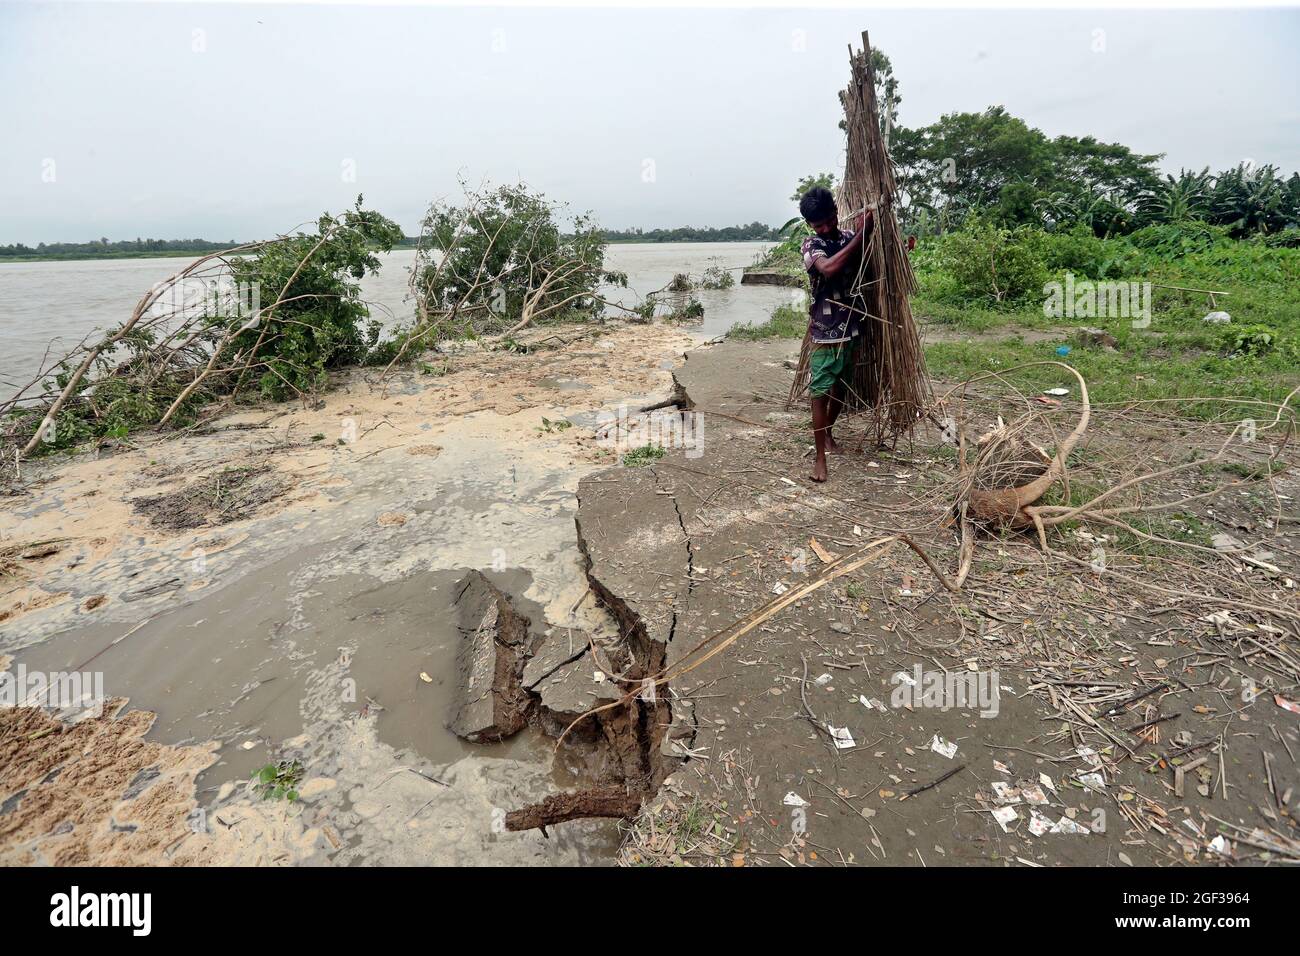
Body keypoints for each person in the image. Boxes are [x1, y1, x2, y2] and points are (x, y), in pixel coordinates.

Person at [798, 186, 873, 482]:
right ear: (810, 226)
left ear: (836, 212)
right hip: (824, 331)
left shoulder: (847, 237)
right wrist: (859, 236)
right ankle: (819, 458)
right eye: (819, 225)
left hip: (852, 326)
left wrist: (898, 247)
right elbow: (828, 269)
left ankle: (828, 434)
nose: (826, 228)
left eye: (829, 220)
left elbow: (870, 262)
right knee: (819, 393)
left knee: (840, 386)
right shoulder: (810, 245)